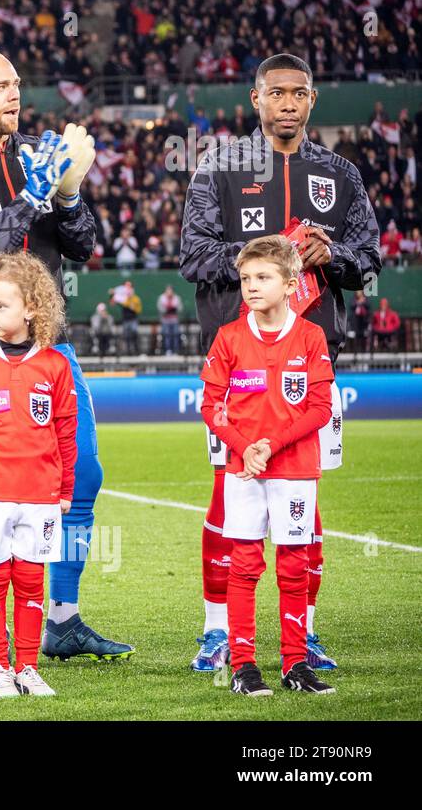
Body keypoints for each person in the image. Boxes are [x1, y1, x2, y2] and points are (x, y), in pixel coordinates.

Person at [0, 46, 132, 663]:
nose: (14, 94)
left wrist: (66, 194)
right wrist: (37, 190)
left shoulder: (40, 149)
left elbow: (87, 244)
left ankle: (61, 619)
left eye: (16, 83)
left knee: (82, 476)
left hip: (53, 350)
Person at [181, 53, 381, 673]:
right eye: (277, 93)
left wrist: (333, 253)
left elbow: (369, 262)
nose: (288, 103)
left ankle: (305, 631)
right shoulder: (219, 167)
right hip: (237, 369)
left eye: (299, 94)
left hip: (310, 366)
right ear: (256, 99)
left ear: (313, 100)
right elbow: (193, 257)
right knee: (227, 499)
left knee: (305, 502)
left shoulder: (340, 174)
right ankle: (218, 632)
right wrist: (267, 257)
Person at [198, 236, 334, 696]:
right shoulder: (229, 337)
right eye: (245, 279)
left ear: (290, 283)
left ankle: (295, 664)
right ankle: (244, 666)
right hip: (244, 471)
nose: (251, 287)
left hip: (294, 469)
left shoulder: (311, 337)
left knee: (294, 565)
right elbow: (211, 405)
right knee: (245, 563)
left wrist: (268, 445)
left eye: (263, 278)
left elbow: (318, 409)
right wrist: (243, 446)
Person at [0, 252, 77, 698]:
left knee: (29, 580)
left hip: (40, 494)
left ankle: (26, 667)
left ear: (31, 308)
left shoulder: (55, 367)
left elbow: (66, 432)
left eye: (0, 306)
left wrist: (64, 489)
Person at [110, 281, 142, 355]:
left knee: (134, 333)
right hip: (126, 319)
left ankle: (136, 350)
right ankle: (128, 351)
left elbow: (139, 310)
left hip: (133, 319)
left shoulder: (136, 299)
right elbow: (114, 301)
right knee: (126, 335)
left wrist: (133, 307)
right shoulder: (124, 298)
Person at [158, 284, 182, 355]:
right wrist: (167, 310)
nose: (169, 292)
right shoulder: (162, 298)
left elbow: (180, 308)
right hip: (165, 320)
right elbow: (160, 308)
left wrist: (174, 309)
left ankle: (175, 350)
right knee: (167, 335)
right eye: (168, 290)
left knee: (175, 334)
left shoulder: (176, 298)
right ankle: (168, 350)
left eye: (170, 290)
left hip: (174, 319)